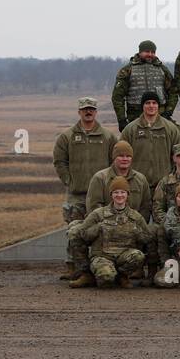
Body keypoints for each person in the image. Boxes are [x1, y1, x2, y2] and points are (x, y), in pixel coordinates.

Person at [53, 96, 117, 280]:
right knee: (74, 230)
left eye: (91, 109)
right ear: (79, 111)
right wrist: (69, 181)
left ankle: (101, 265)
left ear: (96, 112)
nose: (88, 112)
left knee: (102, 229)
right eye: (85, 109)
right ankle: (72, 266)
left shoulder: (108, 136)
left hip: (101, 195)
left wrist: (110, 186)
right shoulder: (67, 137)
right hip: (76, 195)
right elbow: (59, 162)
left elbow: (116, 162)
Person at [74, 177, 152, 289]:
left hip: (124, 255)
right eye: (116, 192)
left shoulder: (135, 217)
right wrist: (98, 228)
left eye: (122, 192)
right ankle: (95, 274)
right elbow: (83, 234)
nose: (119, 195)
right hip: (102, 255)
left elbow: (147, 237)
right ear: (111, 194)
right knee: (106, 278)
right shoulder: (98, 214)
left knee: (138, 256)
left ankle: (122, 276)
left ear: (127, 194)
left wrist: (136, 231)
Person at [120, 91, 180, 190]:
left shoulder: (170, 128)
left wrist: (174, 177)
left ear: (158, 106)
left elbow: (179, 154)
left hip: (165, 185)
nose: (151, 106)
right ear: (142, 106)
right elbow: (120, 156)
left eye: (154, 103)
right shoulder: (131, 129)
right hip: (137, 185)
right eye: (147, 103)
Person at [112, 40, 177, 129]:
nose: (150, 54)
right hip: (136, 117)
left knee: (176, 133)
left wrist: (168, 111)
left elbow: (173, 91)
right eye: (147, 52)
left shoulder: (162, 70)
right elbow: (117, 97)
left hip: (160, 116)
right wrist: (121, 119)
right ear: (140, 52)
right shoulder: (127, 70)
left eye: (153, 52)